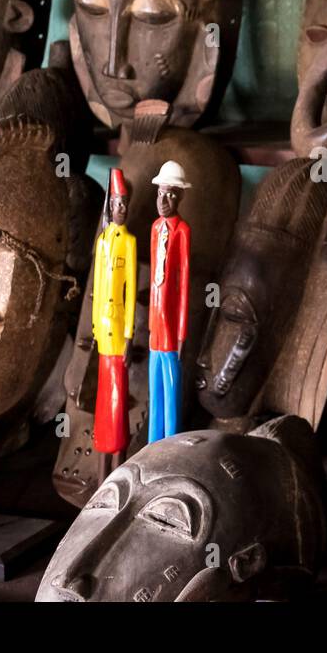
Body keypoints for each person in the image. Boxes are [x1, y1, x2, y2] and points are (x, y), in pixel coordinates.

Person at [93, 168, 136, 453]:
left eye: (124, 204)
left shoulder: (128, 242)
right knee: (103, 389)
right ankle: (103, 440)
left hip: (120, 328)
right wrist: (96, 328)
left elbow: (130, 292)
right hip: (103, 330)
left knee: (118, 391)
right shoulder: (103, 241)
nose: (121, 208)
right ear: (109, 206)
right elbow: (97, 291)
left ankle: (118, 442)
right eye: (117, 203)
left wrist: (130, 335)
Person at [148, 161, 191, 443]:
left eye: (171, 195)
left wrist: (181, 332)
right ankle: (154, 442)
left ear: (180, 197)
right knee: (155, 390)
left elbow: (184, 281)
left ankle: (171, 442)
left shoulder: (182, 230)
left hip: (172, 324)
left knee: (171, 388)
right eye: (161, 193)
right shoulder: (155, 227)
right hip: (155, 323)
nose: (164, 200)